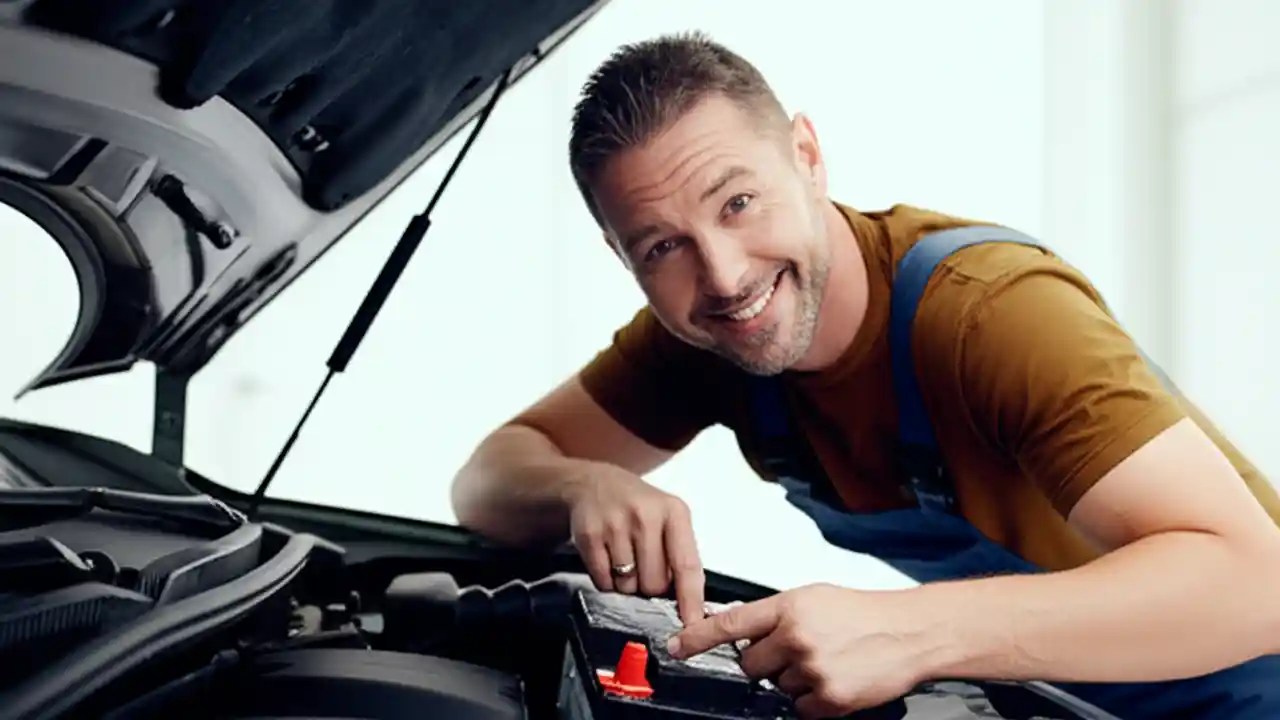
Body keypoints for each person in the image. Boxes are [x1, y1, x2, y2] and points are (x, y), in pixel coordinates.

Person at [450, 31, 1280, 719]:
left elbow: (1257, 584)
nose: (726, 274)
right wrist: (584, 484)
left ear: (807, 157)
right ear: (623, 257)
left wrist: (909, 634)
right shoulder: (706, 342)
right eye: (662, 246)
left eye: (738, 202)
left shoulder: (990, 315)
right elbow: (487, 481)